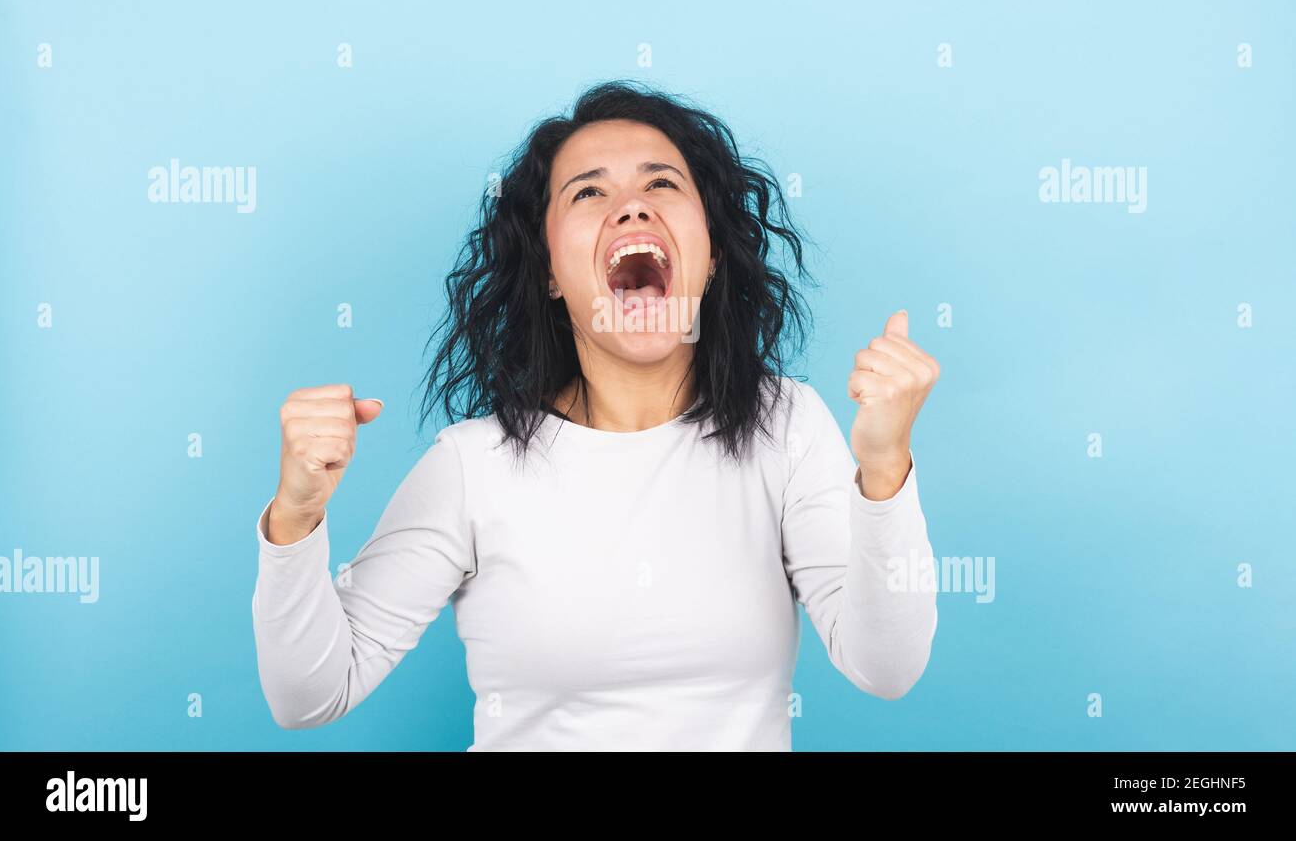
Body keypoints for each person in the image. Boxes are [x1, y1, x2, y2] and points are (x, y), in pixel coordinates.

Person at [251, 80, 941, 750]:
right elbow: (310, 696)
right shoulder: (473, 466)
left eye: (662, 183)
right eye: (589, 192)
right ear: (550, 271)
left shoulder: (786, 428)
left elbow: (887, 667)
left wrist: (883, 471)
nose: (632, 208)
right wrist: (296, 515)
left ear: (712, 254)